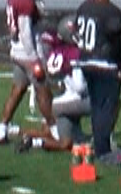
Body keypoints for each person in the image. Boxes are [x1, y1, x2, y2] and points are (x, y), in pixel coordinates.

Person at [0, 0, 53, 144]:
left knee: (17, 90)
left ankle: (1, 130)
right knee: (43, 91)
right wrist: (34, 59)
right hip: (28, 54)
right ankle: (55, 129)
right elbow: (25, 31)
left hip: (17, 52)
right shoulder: (26, 2)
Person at [75, 0, 121, 164]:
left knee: (97, 106)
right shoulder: (112, 11)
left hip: (85, 61)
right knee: (106, 107)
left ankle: (99, 145)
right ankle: (102, 148)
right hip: (105, 63)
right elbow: (115, 43)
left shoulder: (84, 7)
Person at [19, 18, 90, 153]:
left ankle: (28, 138)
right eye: (75, 33)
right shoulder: (74, 53)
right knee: (106, 102)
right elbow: (79, 87)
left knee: (60, 139)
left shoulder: (57, 51)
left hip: (59, 98)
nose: (79, 36)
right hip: (70, 100)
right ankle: (106, 141)